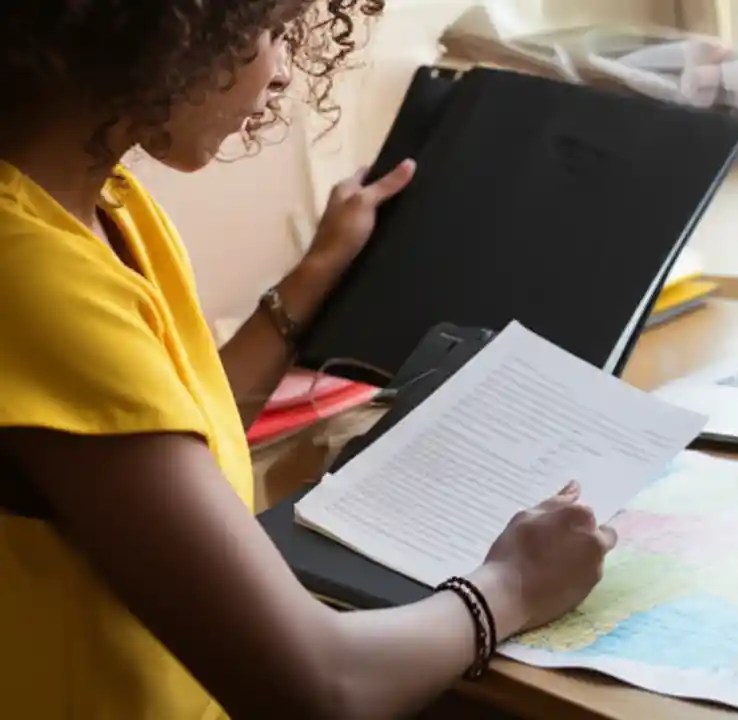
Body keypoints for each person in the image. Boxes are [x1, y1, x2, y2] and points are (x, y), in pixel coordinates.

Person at [0, 2, 617, 718]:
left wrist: (320, 269)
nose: (281, 71)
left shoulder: (107, 203)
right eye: (267, 31)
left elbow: (178, 433)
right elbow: (319, 686)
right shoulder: (32, 275)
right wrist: (513, 586)